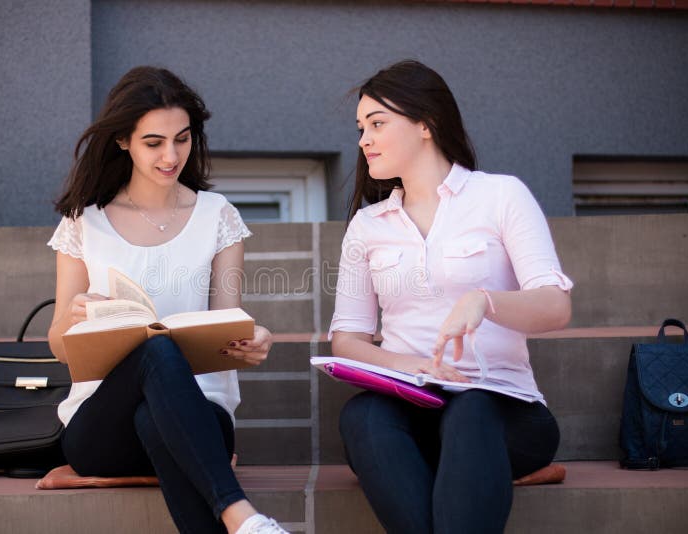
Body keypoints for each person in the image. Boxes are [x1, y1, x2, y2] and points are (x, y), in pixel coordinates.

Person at [329, 60, 573, 533]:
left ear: (426, 123)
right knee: (362, 416)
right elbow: (347, 341)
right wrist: (407, 365)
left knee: (471, 407)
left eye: (378, 124)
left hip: (502, 413)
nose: (364, 140)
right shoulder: (367, 226)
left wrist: (485, 301)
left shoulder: (501, 196)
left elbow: (555, 306)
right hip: (413, 409)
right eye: (361, 128)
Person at [46, 66, 288, 534]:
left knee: (157, 416)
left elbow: (227, 322)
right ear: (123, 141)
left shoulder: (217, 216)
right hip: (100, 427)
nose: (171, 155)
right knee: (155, 346)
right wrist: (75, 320)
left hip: (201, 413)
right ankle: (243, 518)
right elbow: (59, 346)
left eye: (182, 139)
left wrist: (250, 338)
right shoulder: (85, 222)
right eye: (154, 142)